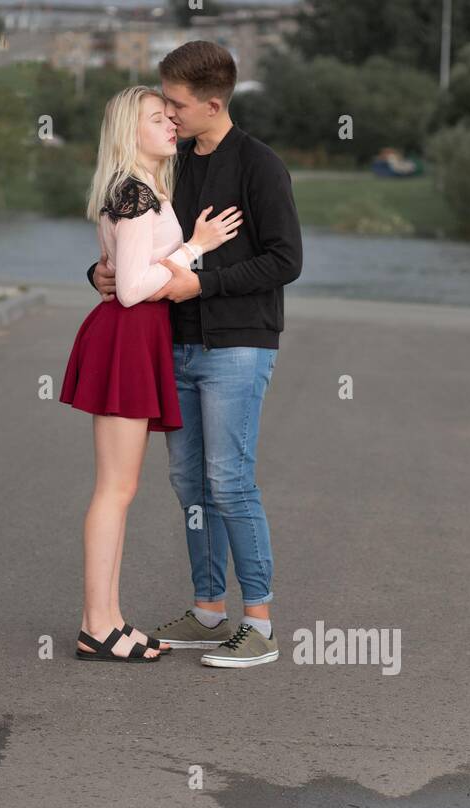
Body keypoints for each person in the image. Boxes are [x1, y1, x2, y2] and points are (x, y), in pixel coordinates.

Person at [88, 42, 303, 669]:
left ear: (213, 103)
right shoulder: (169, 164)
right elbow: (141, 247)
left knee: (229, 480)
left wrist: (203, 284)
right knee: (189, 482)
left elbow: (287, 261)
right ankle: (209, 611)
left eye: (177, 105)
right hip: (171, 344)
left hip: (239, 344)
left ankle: (257, 620)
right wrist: (98, 274)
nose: (170, 115)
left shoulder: (261, 167)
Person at [60, 84, 244, 664]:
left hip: (133, 339)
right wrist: (195, 247)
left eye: (172, 117)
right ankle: (97, 626)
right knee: (115, 490)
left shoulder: (136, 191)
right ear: (128, 131)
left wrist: (110, 268)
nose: (170, 125)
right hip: (128, 337)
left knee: (122, 489)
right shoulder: (135, 194)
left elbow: (119, 270)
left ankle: (109, 620)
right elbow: (137, 289)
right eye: (157, 118)